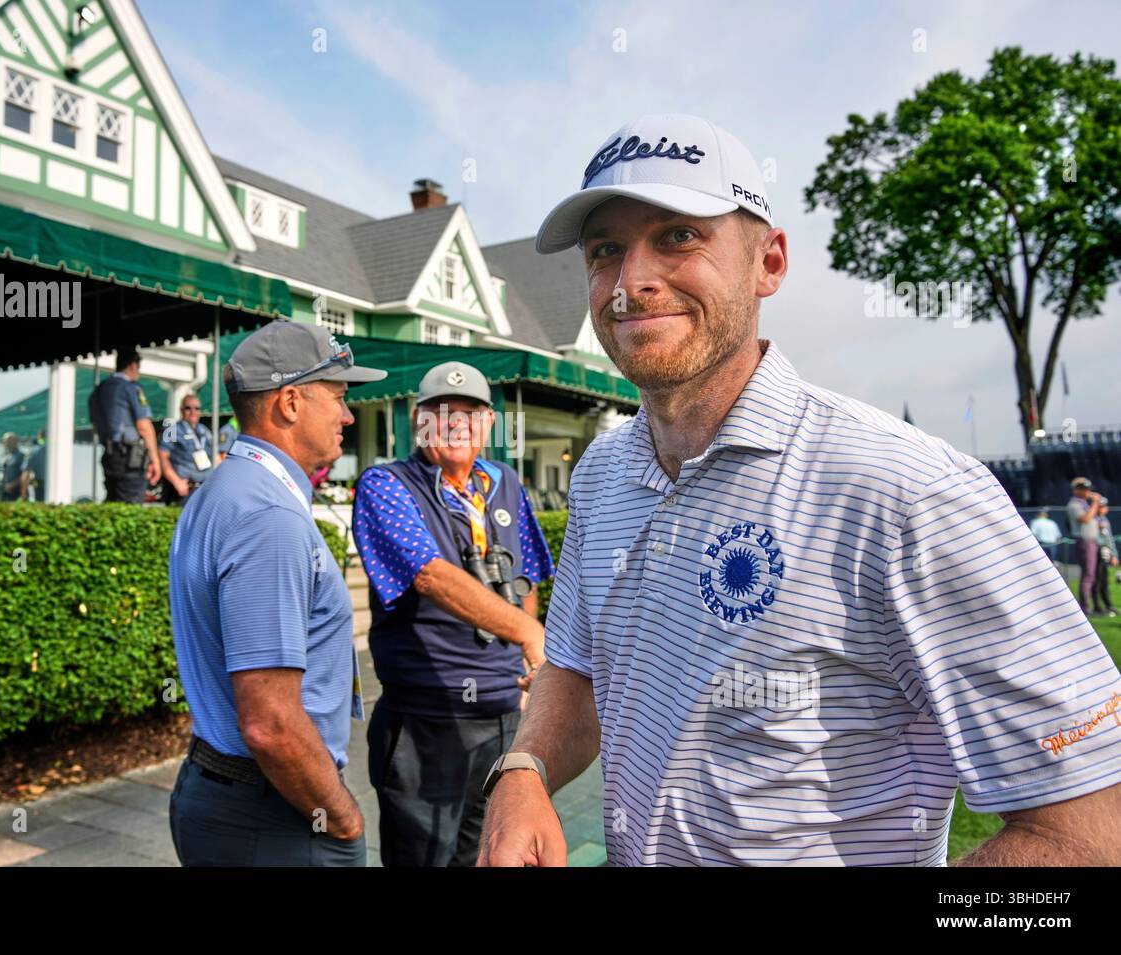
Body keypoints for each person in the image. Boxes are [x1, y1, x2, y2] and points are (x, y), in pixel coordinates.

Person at [479, 113, 1121, 867]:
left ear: (769, 263)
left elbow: (1089, 827)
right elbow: (577, 670)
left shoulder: (908, 492)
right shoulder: (600, 474)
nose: (632, 282)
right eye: (606, 251)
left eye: (678, 237)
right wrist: (524, 770)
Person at [168, 322, 386, 866]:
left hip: (232, 795)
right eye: (338, 397)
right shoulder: (267, 515)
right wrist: (342, 816)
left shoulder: (223, 489)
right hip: (274, 815)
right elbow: (270, 724)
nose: (347, 415)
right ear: (289, 402)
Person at [351, 362, 554, 867]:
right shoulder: (385, 484)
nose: (456, 423)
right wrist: (529, 633)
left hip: (506, 714)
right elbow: (430, 575)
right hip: (428, 721)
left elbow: (525, 575)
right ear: (418, 421)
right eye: (441, 413)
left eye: (471, 413)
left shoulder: (503, 481)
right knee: (424, 858)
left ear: (489, 425)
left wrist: (528, 671)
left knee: (487, 853)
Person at [87, 348, 161, 503]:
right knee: (131, 505)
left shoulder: (98, 391)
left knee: (114, 504)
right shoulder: (131, 388)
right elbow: (143, 426)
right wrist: (155, 459)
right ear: (133, 365)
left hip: (109, 456)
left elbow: (94, 425)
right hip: (130, 458)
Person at [160, 394, 214, 505]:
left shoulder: (205, 430)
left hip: (204, 488)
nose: (193, 411)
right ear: (181, 410)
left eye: (197, 408)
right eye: (188, 408)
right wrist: (176, 481)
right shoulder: (170, 429)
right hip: (183, 489)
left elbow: (216, 457)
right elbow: (162, 457)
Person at [1067, 477, 1103, 615]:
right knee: (1088, 574)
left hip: (1092, 541)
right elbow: (1085, 519)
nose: (1088, 491)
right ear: (1077, 490)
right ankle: (1084, 607)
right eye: (1084, 489)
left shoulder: (1084, 503)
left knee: (1092, 574)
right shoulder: (1074, 504)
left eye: (1088, 489)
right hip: (1084, 541)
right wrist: (1094, 504)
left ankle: (1090, 605)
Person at [1093, 498, 1118, 617]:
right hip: (1097, 552)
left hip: (1105, 552)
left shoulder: (1105, 520)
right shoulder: (1094, 519)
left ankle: (1108, 605)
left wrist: (1114, 554)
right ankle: (1097, 606)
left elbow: (1109, 539)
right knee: (1097, 581)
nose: (1104, 508)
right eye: (1102, 506)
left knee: (1104, 580)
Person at [0, 432, 28, 502]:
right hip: (5, 491)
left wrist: (12, 485)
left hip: (17, 491)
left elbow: (24, 473)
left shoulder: (21, 456)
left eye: (11, 440)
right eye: (6, 441)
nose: (8, 443)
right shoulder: (4, 456)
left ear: (16, 442)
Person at [26, 428, 47, 503]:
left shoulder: (35, 451)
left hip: (40, 487)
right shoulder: (59, 450)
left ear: (40, 437)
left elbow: (26, 473)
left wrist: (23, 493)